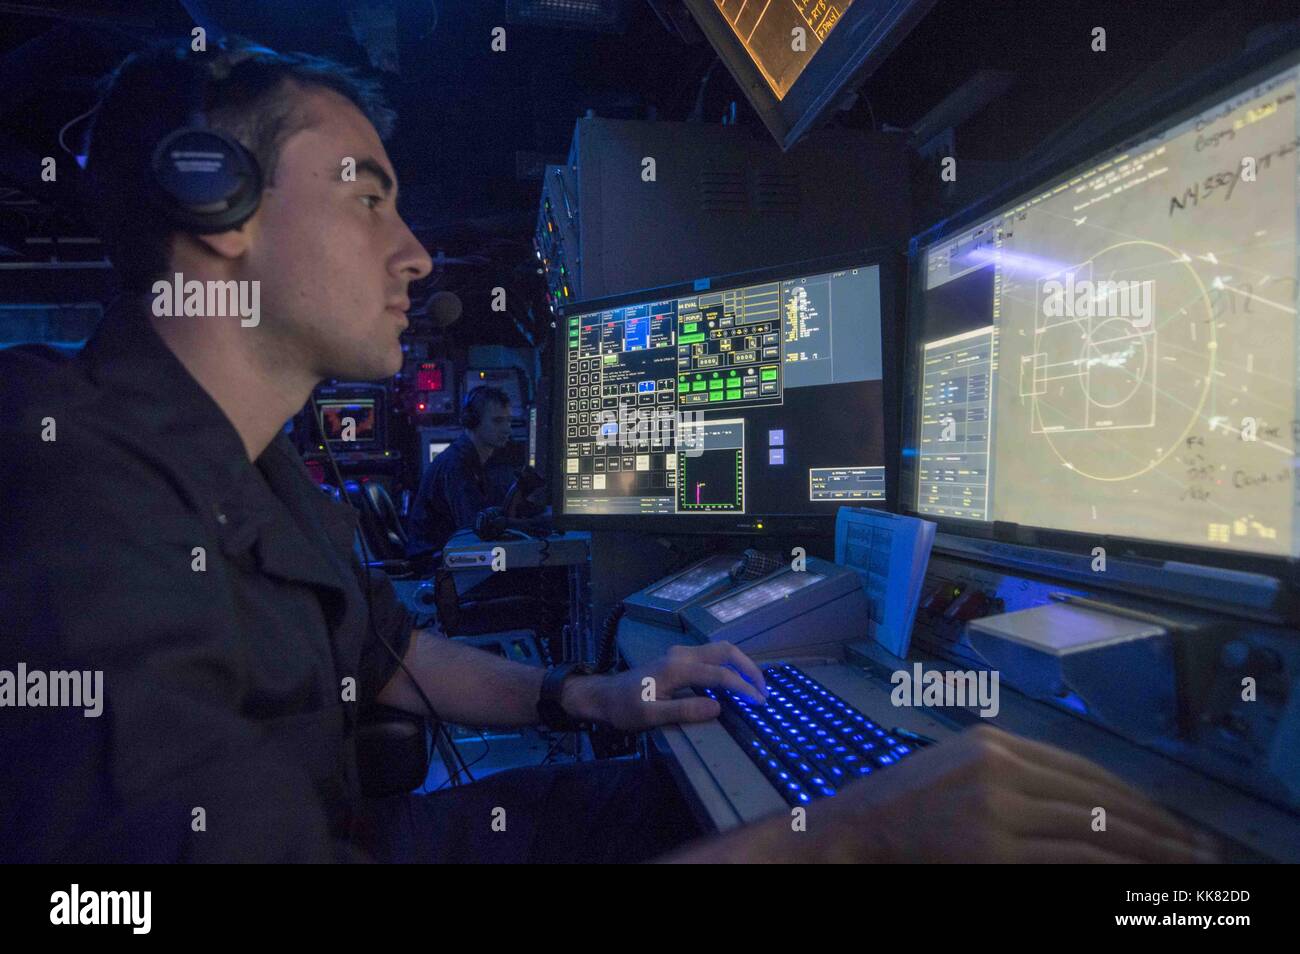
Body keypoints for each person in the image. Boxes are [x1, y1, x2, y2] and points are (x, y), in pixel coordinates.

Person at [0, 38, 1217, 864]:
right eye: (367, 194)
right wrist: (853, 842)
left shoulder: (255, 466)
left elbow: (386, 654)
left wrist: (585, 696)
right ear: (217, 210)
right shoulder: (63, 485)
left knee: (656, 793)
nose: (417, 251)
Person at [405, 385, 544, 559]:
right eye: (497, 421)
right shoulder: (456, 465)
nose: (507, 429)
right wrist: (530, 525)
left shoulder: (481, 462)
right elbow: (474, 527)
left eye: (508, 421)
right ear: (472, 422)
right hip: (437, 562)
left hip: (456, 553)